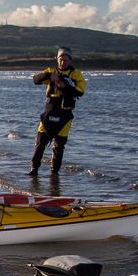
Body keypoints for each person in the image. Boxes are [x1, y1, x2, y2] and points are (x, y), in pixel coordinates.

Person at [28, 47, 86, 179]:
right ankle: (34, 169)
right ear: (57, 60)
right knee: (40, 141)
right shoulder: (51, 71)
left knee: (59, 145)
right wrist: (49, 76)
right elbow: (36, 80)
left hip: (65, 113)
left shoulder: (76, 74)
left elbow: (80, 92)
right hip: (50, 110)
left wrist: (65, 86)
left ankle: (54, 172)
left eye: (65, 60)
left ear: (70, 60)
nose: (62, 63)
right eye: (60, 60)